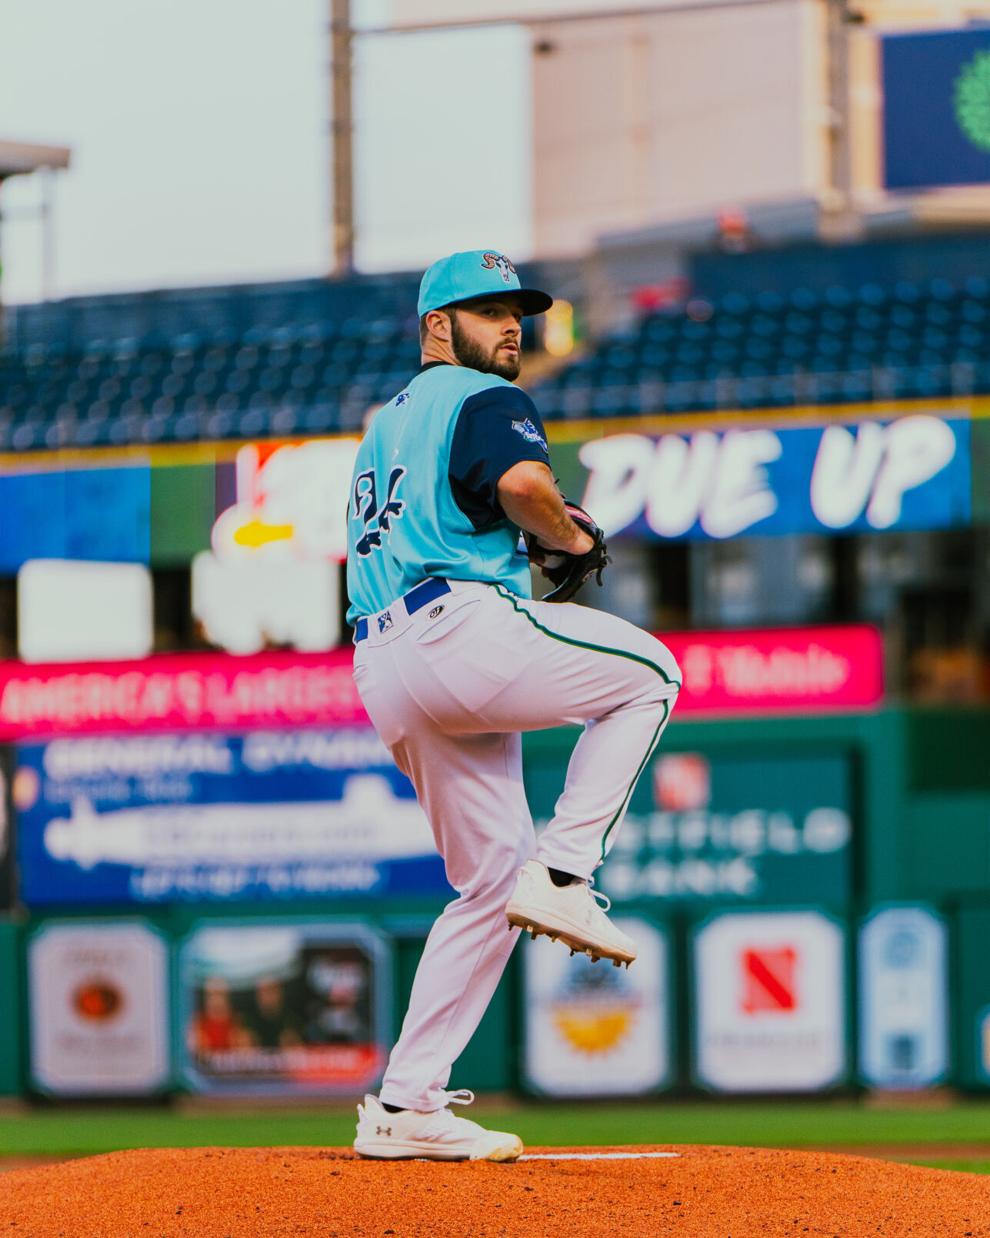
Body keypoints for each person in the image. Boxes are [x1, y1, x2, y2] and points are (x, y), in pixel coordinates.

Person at [346, 249, 680, 1161]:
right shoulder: (479, 397)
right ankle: (569, 876)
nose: (509, 326)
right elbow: (525, 488)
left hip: (383, 660)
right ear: (434, 328)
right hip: (458, 628)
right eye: (485, 309)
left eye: (515, 311)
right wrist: (571, 533)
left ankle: (407, 1106)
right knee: (650, 676)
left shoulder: (386, 426)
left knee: (490, 881)